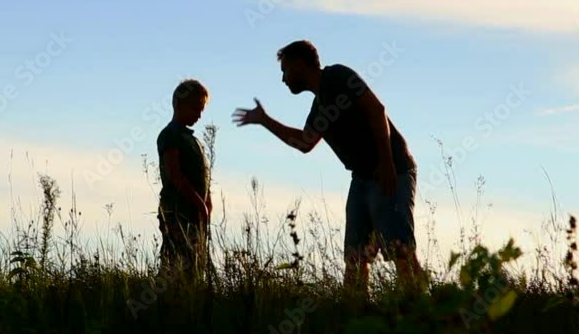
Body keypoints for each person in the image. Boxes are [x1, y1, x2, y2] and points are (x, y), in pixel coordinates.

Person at [232, 40, 423, 292]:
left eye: (285, 70)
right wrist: (265, 120)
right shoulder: (319, 107)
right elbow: (304, 142)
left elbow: (377, 110)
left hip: (391, 170)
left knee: (400, 249)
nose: (283, 79)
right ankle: (353, 309)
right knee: (355, 256)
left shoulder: (338, 76)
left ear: (300, 64)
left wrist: (386, 162)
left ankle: (423, 307)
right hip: (361, 178)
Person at [156, 78, 212, 281]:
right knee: (176, 262)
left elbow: (203, 176)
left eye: (201, 110)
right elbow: (175, 174)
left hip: (195, 214)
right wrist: (198, 203)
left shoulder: (194, 140)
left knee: (196, 264)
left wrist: (207, 202)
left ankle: (192, 296)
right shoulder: (170, 135)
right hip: (177, 211)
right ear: (178, 104)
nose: (199, 114)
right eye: (195, 108)